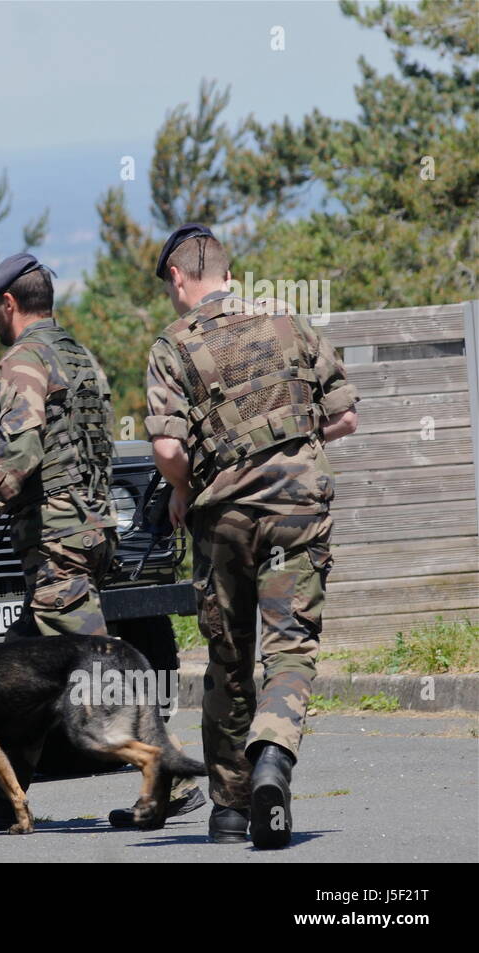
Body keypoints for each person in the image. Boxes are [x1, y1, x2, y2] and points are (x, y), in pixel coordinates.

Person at [0, 253, 199, 828]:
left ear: (8, 304)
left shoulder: (24, 361)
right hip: (92, 530)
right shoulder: (80, 356)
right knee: (20, 672)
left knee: (96, 670)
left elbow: (23, 446)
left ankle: (168, 772)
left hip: (57, 541)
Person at [144, 224, 358, 848]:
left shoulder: (171, 345)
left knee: (228, 658)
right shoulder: (288, 320)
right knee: (290, 650)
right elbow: (345, 413)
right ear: (230, 275)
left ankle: (230, 811)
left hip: (223, 520)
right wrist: (292, 440)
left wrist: (182, 489)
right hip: (299, 507)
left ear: (179, 278)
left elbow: (165, 447)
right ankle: (274, 757)